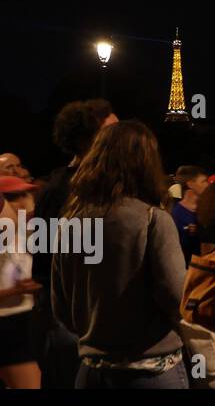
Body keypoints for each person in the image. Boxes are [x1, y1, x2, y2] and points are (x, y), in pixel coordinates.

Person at [51, 121, 188, 389]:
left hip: (91, 372)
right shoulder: (153, 219)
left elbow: (62, 309)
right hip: (150, 371)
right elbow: (177, 297)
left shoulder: (70, 222)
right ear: (147, 163)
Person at [30, 99, 116, 389]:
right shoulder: (60, 191)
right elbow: (45, 260)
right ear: (85, 139)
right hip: (70, 320)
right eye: (111, 132)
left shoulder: (101, 186)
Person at [1, 187, 42, 388]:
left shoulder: (22, 233)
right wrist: (16, 290)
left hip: (26, 320)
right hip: (9, 323)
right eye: (12, 197)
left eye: (25, 194)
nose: (23, 201)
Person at [170, 165, 209, 265]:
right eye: (204, 181)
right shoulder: (176, 214)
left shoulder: (207, 209)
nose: (208, 185)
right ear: (191, 184)